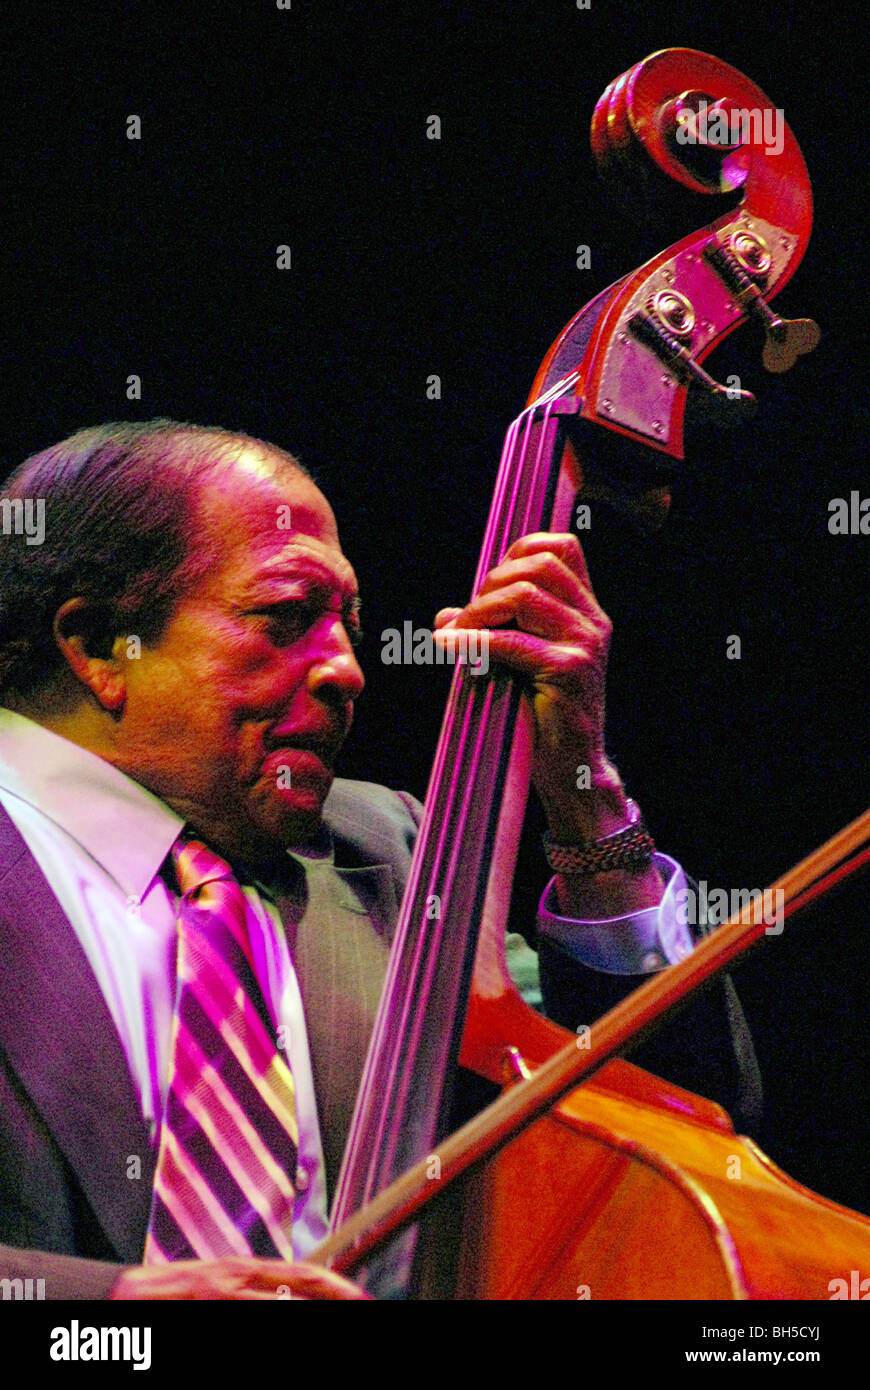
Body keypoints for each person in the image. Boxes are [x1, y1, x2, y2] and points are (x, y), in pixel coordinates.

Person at [0, 419, 756, 1299]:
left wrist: (588, 805)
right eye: (285, 618)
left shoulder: (394, 850)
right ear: (99, 647)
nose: (349, 670)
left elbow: (677, 1133)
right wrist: (119, 1311)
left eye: (347, 627)